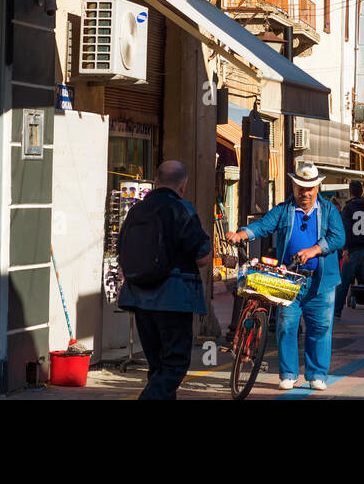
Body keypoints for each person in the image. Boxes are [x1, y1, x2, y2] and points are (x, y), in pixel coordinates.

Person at [227, 162, 344, 391]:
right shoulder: (284, 209)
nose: (305, 193)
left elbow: (338, 238)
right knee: (286, 327)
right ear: (293, 186)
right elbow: (263, 225)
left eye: (310, 188)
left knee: (320, 328)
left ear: (317, 188)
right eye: (301, 187)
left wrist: (314, 250)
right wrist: (242, 233)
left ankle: (317, 374)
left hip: (321, 281)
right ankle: (288, 373)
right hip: (288, 279)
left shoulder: (330, 210)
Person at [117, 160, 212, 400]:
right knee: (175, 365)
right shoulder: (182, 209)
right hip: (173, 299)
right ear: (183, 185)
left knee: (158, 366)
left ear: (156, 182)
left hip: (139, 298)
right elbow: (202, 257)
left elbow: (122, 248)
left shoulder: (136, 210)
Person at [335, 181, 364, 323]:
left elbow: (344, 230)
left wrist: (345, 249)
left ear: (350, 192)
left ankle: (337, 312)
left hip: (353, 250)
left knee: (344, 283)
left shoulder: (348, 209)